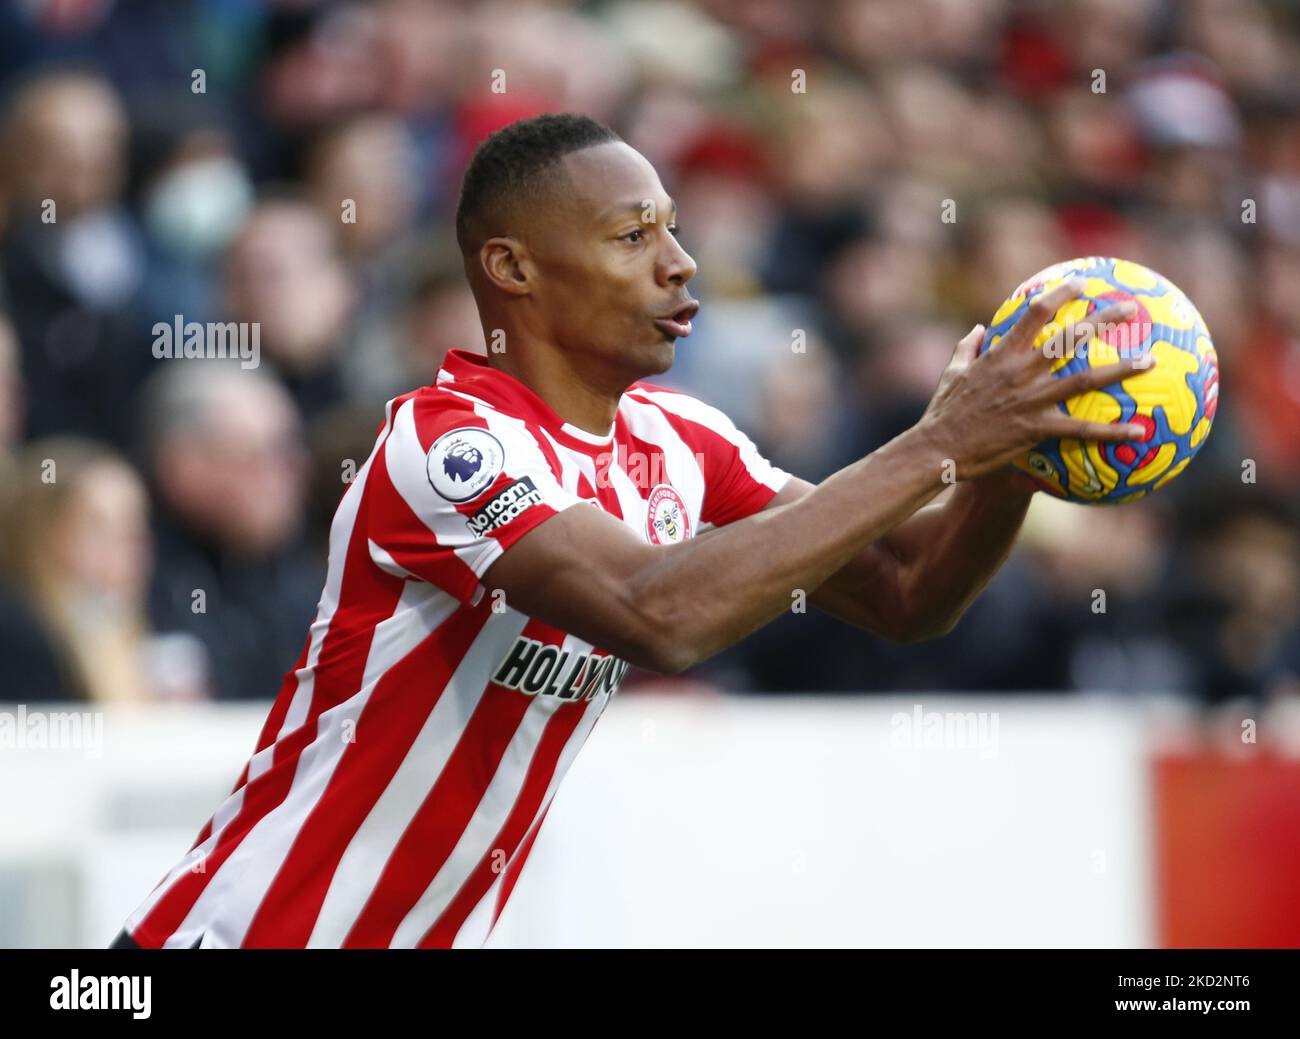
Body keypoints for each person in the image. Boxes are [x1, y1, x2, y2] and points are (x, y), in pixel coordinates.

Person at [112, 113, 1147, 949]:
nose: (681, 265)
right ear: (512, 268)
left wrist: (1013, 457)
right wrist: (939, 444)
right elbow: (658, 614)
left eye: (675, 229)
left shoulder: (680, 439)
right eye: (632, 235)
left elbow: (909, 594)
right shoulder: (443, 446)